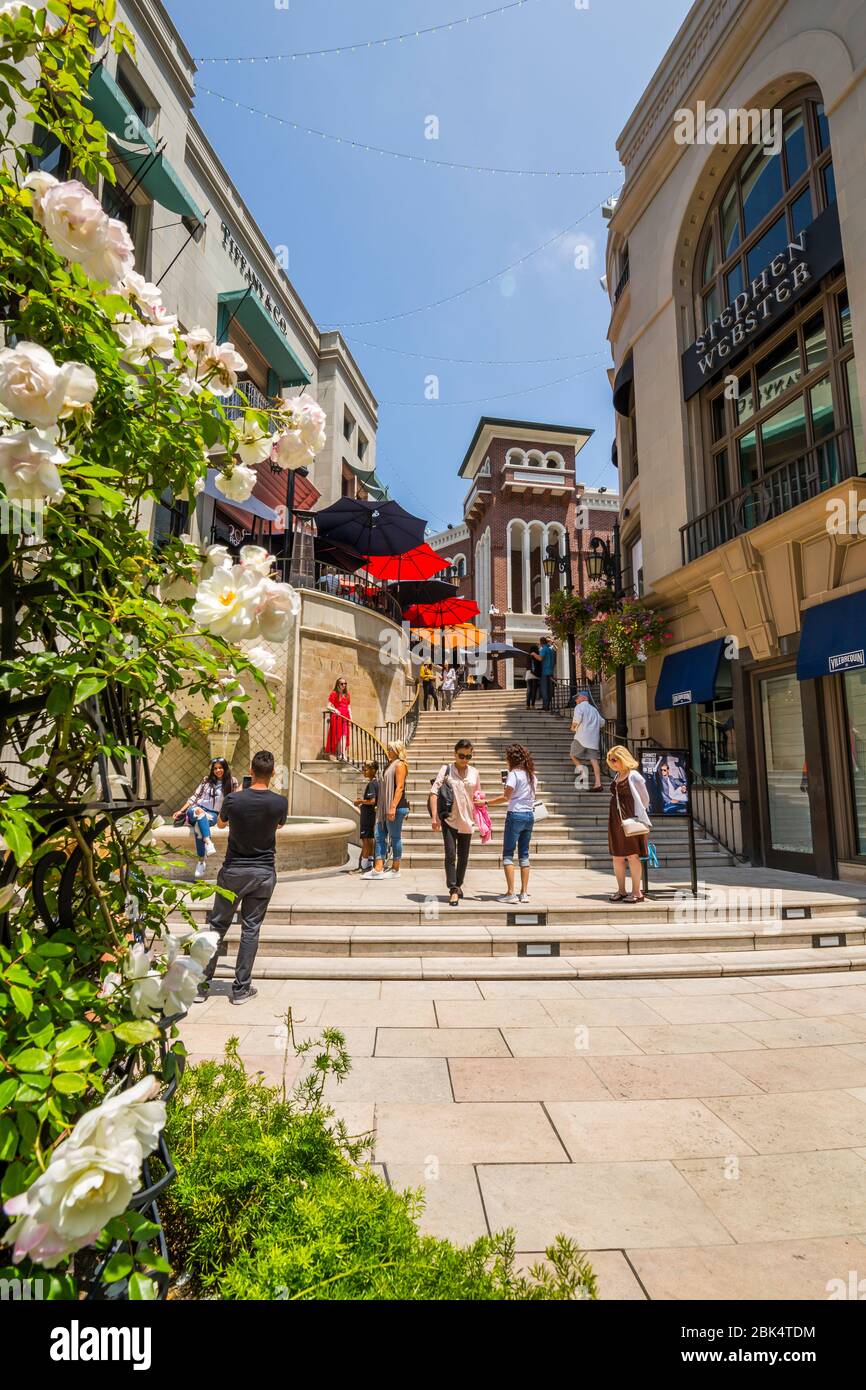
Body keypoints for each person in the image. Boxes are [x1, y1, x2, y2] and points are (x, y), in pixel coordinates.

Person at [200, 749, 288, 1005]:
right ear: (272, 773)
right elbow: (279, 825)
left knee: (217, 926)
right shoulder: (279, 802)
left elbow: (220, 824)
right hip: (262, 872)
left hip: (233, 871)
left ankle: (201, 986)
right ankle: (240, 989)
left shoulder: (233, 800)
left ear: (250, 771)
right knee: (251, 929)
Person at [429, 739, 485, 907]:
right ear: (455, 754)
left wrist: (483, 820)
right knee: (451, 855)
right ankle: (453, 889)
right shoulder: (446, 769)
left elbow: (478, 796)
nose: (465, 759)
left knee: (463, 858)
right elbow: (434, 793)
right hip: (449, 819)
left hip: (468, 821)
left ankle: (458, 885)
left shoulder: (475, 772)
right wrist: (434, 817)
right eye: (461, 755)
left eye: (468, 756)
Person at [487, 743, 536, 904]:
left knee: (508, 853)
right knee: (524, 854)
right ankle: (524, 892)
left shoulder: (513, 774)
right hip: (529, 816)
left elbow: (506, 797)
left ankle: (510, 893)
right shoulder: (531, 776)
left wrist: (486, 802)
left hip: (515, 815)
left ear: (511, 759)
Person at [174, 758, 238, 880]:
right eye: (215, 768)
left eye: (220, 767)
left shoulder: (231, 782)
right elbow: (194, 797)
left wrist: (229, 818)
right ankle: (208, 842)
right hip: (195, 809)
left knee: (199, 827)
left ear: (225, 768)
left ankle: (201, 861)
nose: (218, 770)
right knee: (199, 812)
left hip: (213, 814)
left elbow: (232, 800)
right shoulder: (206, 780)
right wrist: (181, 810)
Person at [606, 745, 651, 904]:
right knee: (617, 856)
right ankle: (621, 890)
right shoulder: (617, 775)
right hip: (616, 820)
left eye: (614, 759)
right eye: (610, 760)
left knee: (632, 855)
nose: (612, 763)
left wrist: (636, 815)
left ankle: (637, 892)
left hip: (631, 819)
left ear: (623, 758)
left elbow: (645, 799)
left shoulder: (634, 776)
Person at [362, 741, 410, 880]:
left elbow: (400, 787)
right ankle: (378, 868)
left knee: (395, 837)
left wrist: (393, 807)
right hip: (384, 808)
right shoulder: (389, 765)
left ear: (397, 750)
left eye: (390, 749)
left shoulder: (400, 765)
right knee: (378, 835)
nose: (388, 750)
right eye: (388, 748)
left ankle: (395, 869)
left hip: (396, 806)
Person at [570, 691, 604, 791]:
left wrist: (573, 727)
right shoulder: (594, 710)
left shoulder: (579, 707)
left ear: (584, 698)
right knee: (594, 761)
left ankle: (583, 773)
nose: (576, 700)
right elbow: (602, 723)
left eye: (578, 698)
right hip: (593, 739)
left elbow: (577, 719)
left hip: (581, 737)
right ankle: (598, 783)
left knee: (573, 755)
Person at [353, 761, 379, 872]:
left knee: (366, 840)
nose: (364, 771)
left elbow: (372, 801)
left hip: (368, 816)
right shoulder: (377, 782)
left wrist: (360, 801)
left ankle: (363, 867)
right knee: (369, 839)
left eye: (366, 769)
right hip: (371, 816)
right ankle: (368, 863)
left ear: (373, 770)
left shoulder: (372, 784)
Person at [324, 677, 351, 760]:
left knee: (344, 736)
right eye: (342, 683)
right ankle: (341, 754)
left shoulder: (347, 695)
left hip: (345, 717)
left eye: (345, 683)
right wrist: (335, 710)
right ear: (338, 684)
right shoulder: (334, 694)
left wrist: (351, 718)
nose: (344, 685)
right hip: (338, 717)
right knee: (339, 736)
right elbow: (328, 706)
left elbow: (349, 707)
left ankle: (343, 754)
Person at [539, 636, 557, 710]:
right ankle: (548, 705)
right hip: (551, 672)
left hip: (544, 672)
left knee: (544, 689)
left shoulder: (544, 649)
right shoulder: (551, 650)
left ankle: (545, 706)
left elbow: (540, 658)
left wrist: (534, 654)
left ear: (541, 642)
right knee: (550, 690)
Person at [526, 644, 542, 708]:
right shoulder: (537, 655)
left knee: (529, 690)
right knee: (534, 690)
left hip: (529, 673)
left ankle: (527, 705)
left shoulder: (528, 655)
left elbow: (527, 665)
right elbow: (539, 665)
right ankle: (533, 705)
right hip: (535, 674)